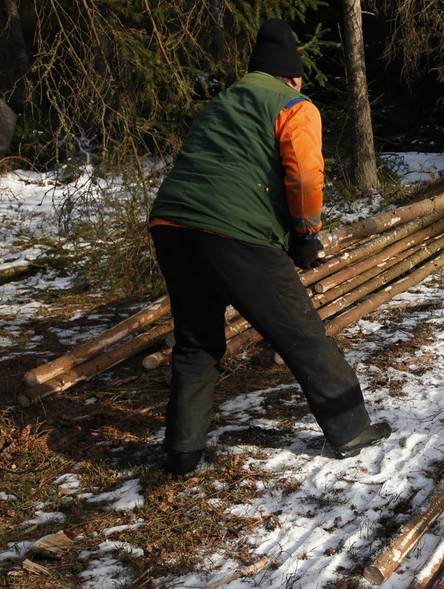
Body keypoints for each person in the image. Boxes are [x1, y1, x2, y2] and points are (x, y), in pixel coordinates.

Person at [148, 19, 390, 477]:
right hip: (236, 234)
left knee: (196, 341)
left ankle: (182, 451)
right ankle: (351, 428)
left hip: (171, 225)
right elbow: (303, 175)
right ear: (293, 76)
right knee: (301, 333)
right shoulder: (295, 106)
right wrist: (306, 234)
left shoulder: (220, 104)